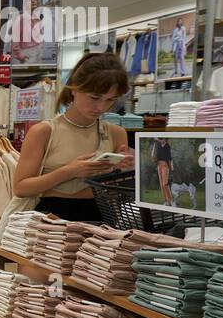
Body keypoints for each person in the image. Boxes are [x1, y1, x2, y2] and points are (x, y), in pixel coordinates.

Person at [10, 52, 132, 223]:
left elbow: (117, 190)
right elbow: (20, 188)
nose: (101, 106)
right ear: (74, 88)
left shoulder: (116, 133)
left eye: (110, 99)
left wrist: (121, 171)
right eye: (94, 97)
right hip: (51, 219)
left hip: (101, 217)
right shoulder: (43, 132)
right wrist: (70, 171)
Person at [155, 138, 174, 206]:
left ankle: (171, 200)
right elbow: (155, 155)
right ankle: (166, 201)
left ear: (165, 139)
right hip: (159, 165)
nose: (161, 140)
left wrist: (171, 168)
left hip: (165, 165)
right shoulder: (158, 145)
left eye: (162, 139)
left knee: (165, 184)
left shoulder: (167, 146)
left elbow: (170, 157)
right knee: (161, 185)